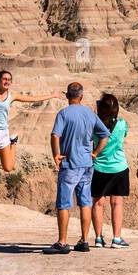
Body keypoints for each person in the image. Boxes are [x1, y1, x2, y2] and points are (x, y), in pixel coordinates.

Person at [48, 82, 108, 254]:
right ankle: (84, 241)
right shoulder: (90, 114)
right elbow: (105, 135)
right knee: (85, 202)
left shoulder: (63, 114)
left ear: (67, 96)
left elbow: (55, 135)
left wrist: (56, 154)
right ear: (81, 96)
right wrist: (95, 153)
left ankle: (62, 242)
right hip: (87, 164)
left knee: (64, 203)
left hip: (70, 163)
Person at [91, 93, 130, 248]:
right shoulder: (122, 124)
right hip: (119, 167)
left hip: (99, 167)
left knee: (98, 203)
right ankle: (116, 238)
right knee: (117, 203)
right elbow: (124, 136)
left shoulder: (95, 125)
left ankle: (98, 238)